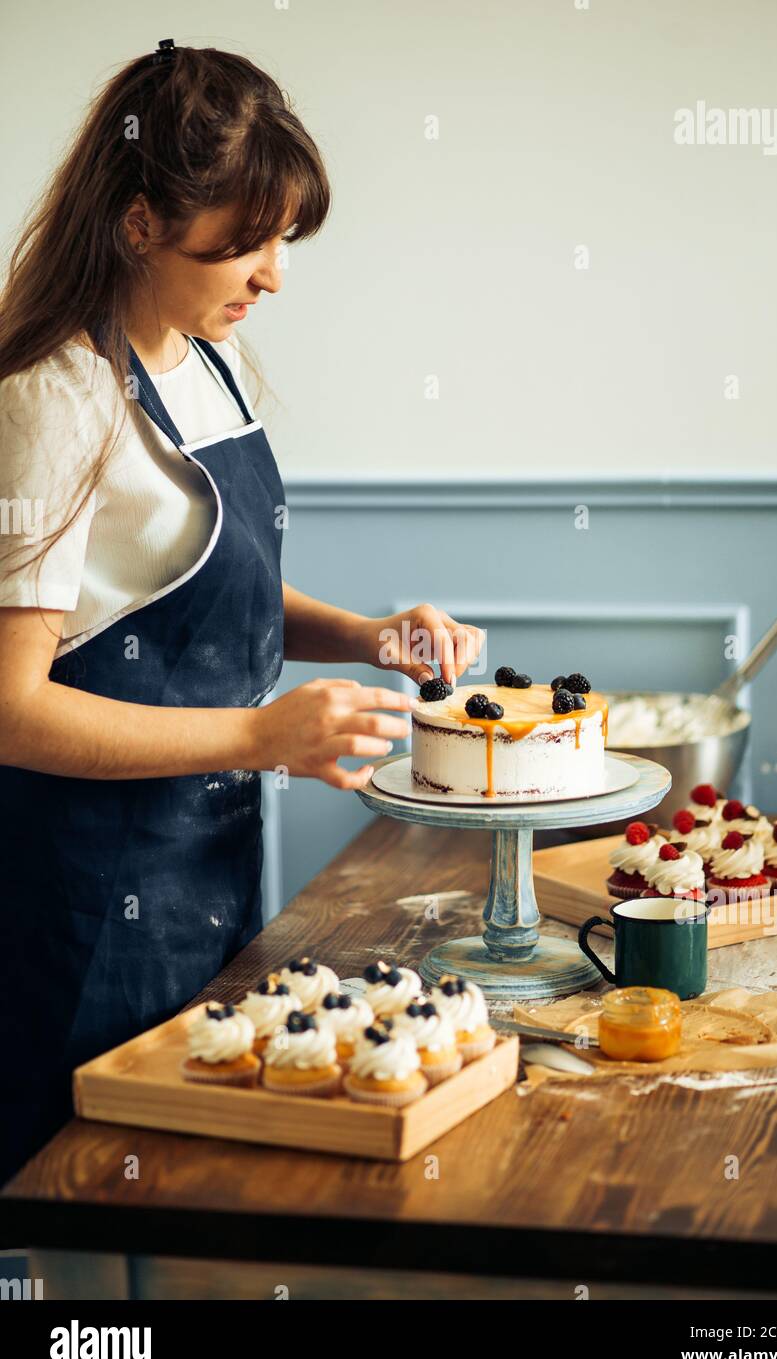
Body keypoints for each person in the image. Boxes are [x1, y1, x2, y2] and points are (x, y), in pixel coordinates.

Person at [0, 40, 484, 1184]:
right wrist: (263, 736)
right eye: (249, 238)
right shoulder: (51, 399)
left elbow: (198, 586)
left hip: (206, 872)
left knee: (187, 1193)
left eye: (284, 240)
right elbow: (11, 708)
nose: (273, 274)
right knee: (76, 1204)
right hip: (78, 907)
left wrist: (363, 634)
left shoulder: (203, 364)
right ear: (137, 224)